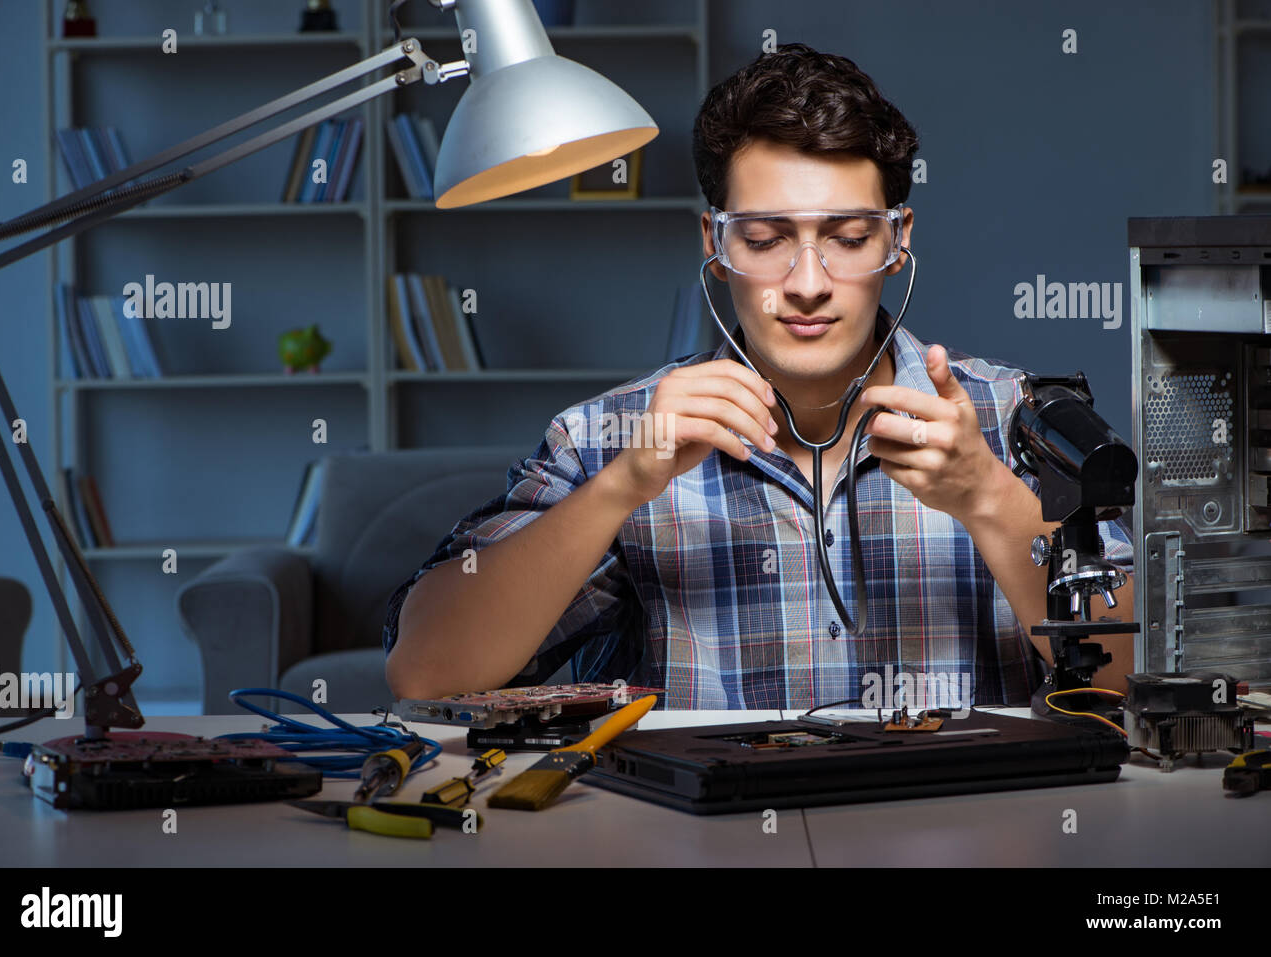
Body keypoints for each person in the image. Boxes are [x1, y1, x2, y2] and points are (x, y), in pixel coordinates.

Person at [383, 43, 1134, 710]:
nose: (808, 282)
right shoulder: (611, 438)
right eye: (768, 238)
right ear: (714, 243)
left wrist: (988, 498)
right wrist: (619, 488)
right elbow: (425, 668)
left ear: (897, 242)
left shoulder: (1015, 417)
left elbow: (1139, 678)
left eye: (846, 237)